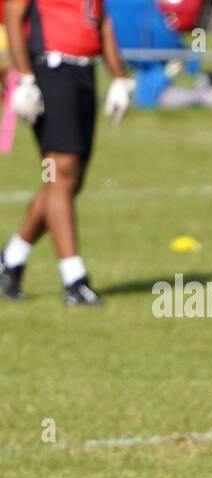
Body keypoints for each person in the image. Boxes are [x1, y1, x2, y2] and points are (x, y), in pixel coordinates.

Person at [1, 0, 133, 305]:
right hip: (50, 69)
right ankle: (74, 279)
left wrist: (119, 76)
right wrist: (25, 77)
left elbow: (101, 20)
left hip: (83, 73)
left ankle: (11, 259)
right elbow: (12, 13)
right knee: (59, 171)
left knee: (69, 180)